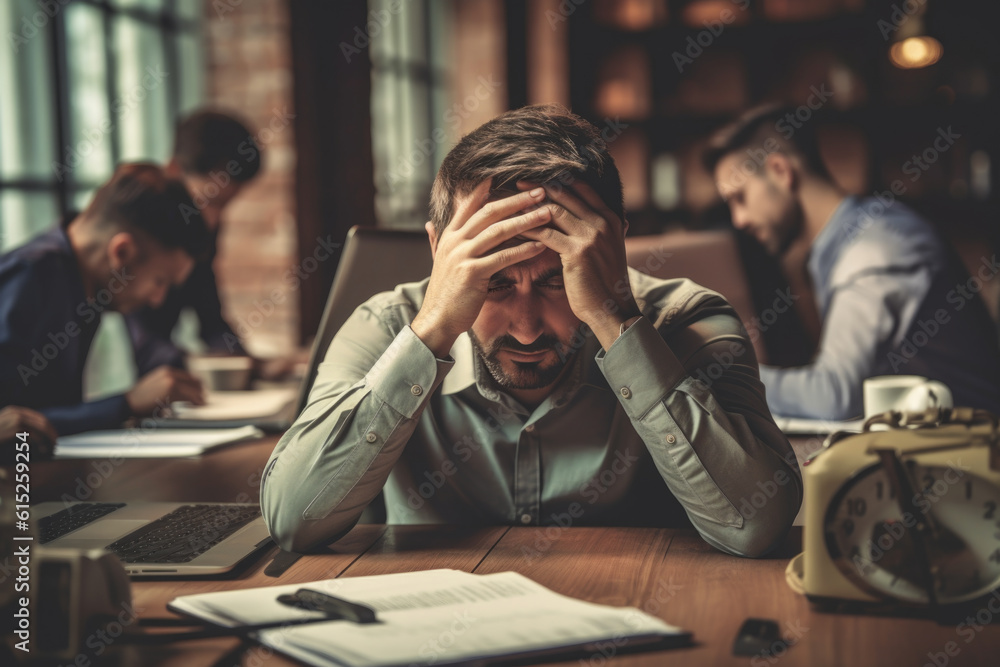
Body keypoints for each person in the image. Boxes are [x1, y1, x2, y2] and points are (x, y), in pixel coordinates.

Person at [261, 105, 800, 558]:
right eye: (493, 286)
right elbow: (292, 519)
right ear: (439, 251)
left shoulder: (689, 321)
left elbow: (755, 524)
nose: (524, 330)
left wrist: (614, 318)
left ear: (610, 247)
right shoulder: (384, 327)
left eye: (556, 281)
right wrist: (432, 331)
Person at [704, 105, 1000, 420]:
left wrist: (721, 373)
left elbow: (834, 396)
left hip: (975, 453)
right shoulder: (851, 235)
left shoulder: (874, 247)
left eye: (740, 198)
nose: (739, 220)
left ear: (780, 171)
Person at [0, 163, 210, 436]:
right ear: (121, 252)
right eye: (160, 281)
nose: (158, 300)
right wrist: (127, 404)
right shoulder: (29, 275)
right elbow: (12, 425)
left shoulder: (85, 282)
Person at [126, 110, 262, 372]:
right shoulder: (137, 229)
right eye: (211, 201)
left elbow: (210, 318)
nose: (214, 219)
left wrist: (251, 364)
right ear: (174, 170)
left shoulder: (204, 227)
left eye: (226, 205)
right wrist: (200, 364)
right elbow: (141, 344)